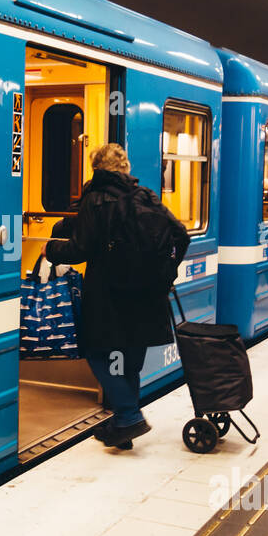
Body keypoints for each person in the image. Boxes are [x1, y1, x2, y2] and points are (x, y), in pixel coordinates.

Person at [45, 143, 175, 450]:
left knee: (98, 353)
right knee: (129, 362)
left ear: (96, 169)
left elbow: (80, 249)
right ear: (125, 168)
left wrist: (50, 249)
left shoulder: (95, 199)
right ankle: (122, 426)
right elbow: (178, 234)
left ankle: (129, 415)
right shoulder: (146, 197)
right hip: (146, 296)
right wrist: (165, 272)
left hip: (110, 296)